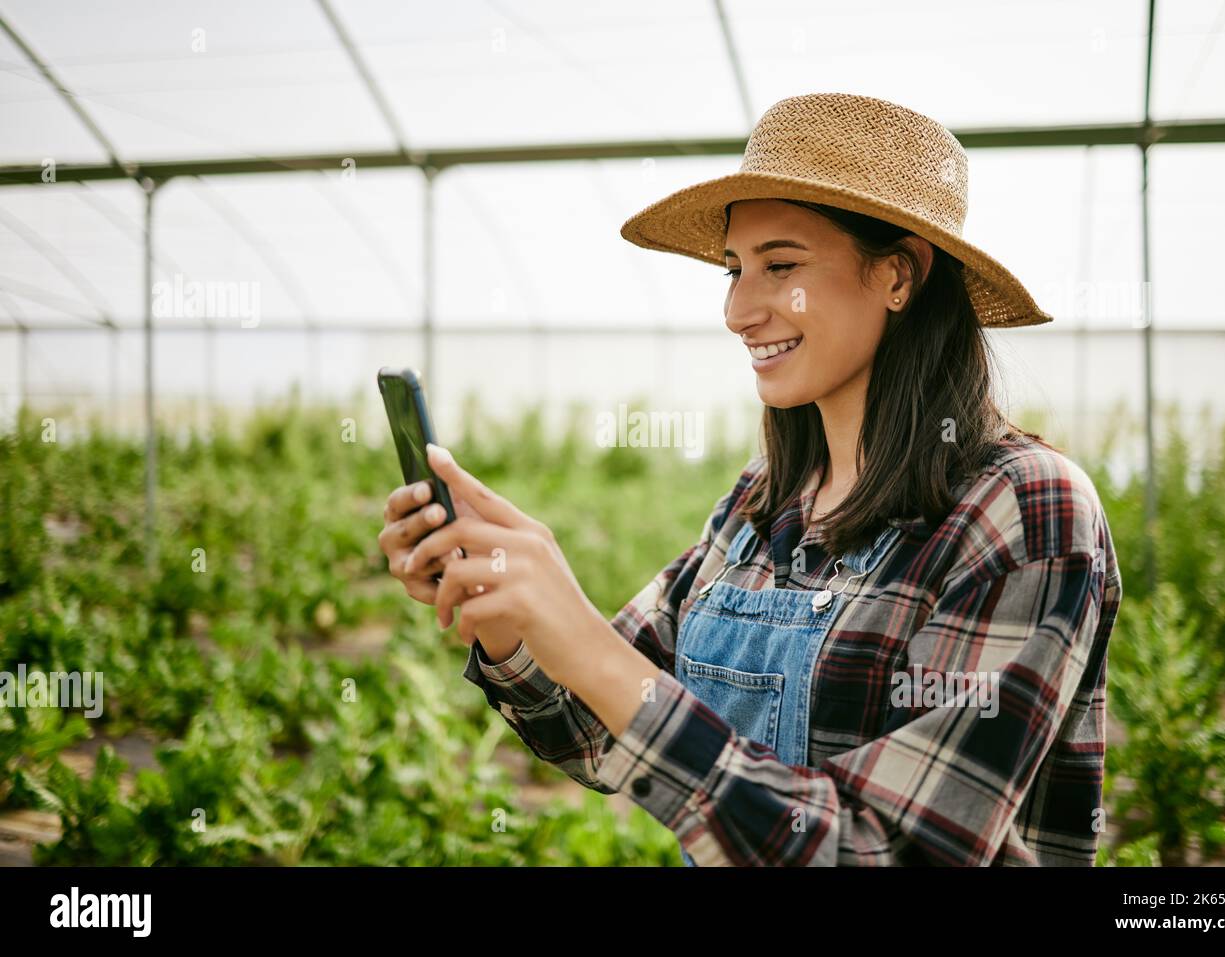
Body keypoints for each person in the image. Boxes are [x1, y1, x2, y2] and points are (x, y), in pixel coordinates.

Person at [377, 93, 1122, 866]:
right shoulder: (763, 504)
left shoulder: (1023, 510)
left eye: (782, 265)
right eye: (735, 269)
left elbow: (887, 848)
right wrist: (505, 601)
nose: (737, 309)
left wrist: (583, 639)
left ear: (898, 275)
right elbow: (593, 726)